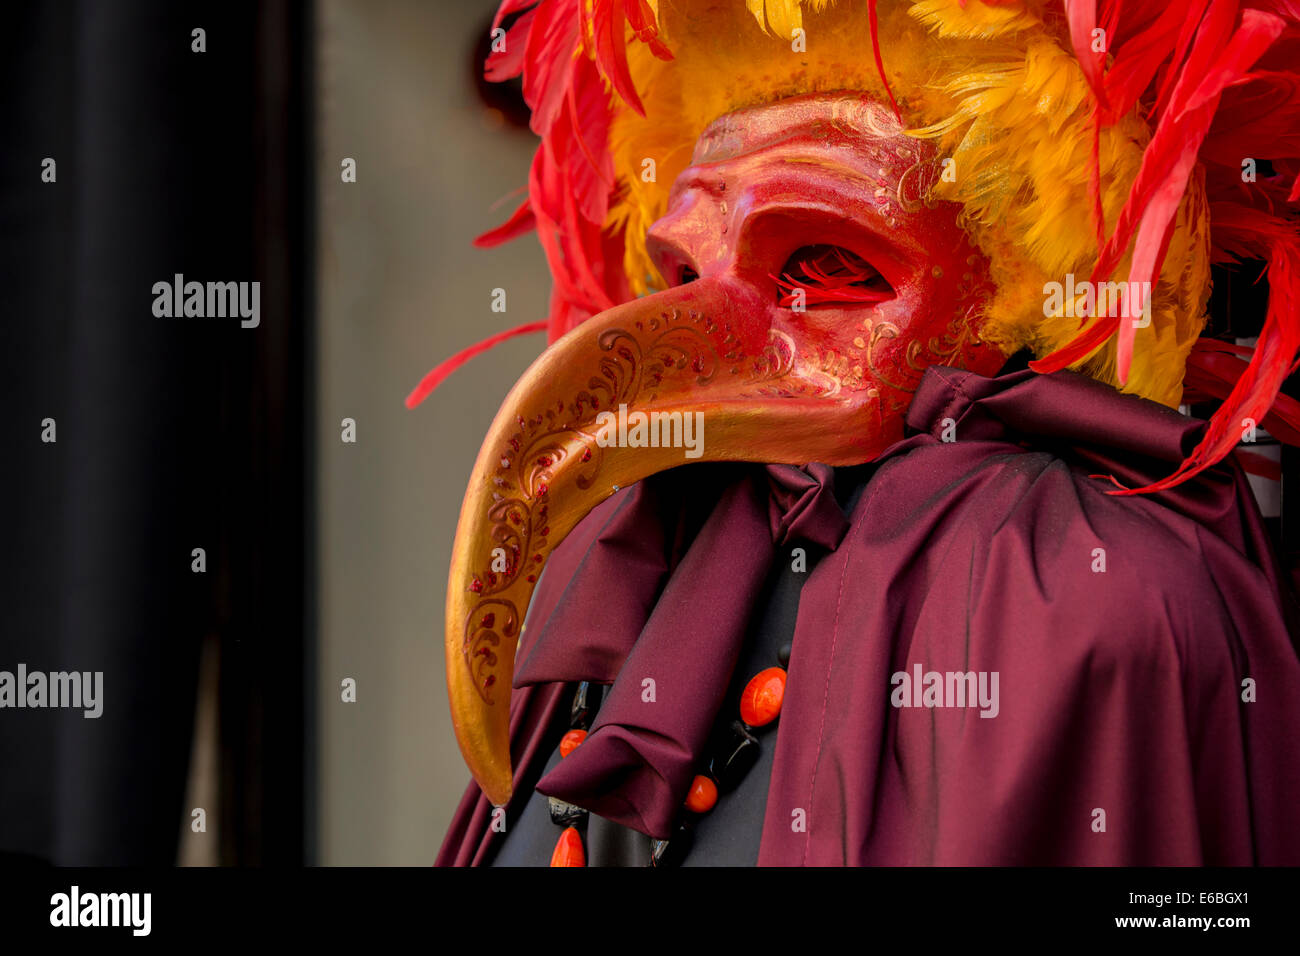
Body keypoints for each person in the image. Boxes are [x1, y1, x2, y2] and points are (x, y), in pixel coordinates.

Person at [422, 0, 1300, 866]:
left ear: (1018, 285)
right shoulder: (625, 567)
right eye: (686, 271)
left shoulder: (1078, 595)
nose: (703, 320)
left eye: (827, 264)